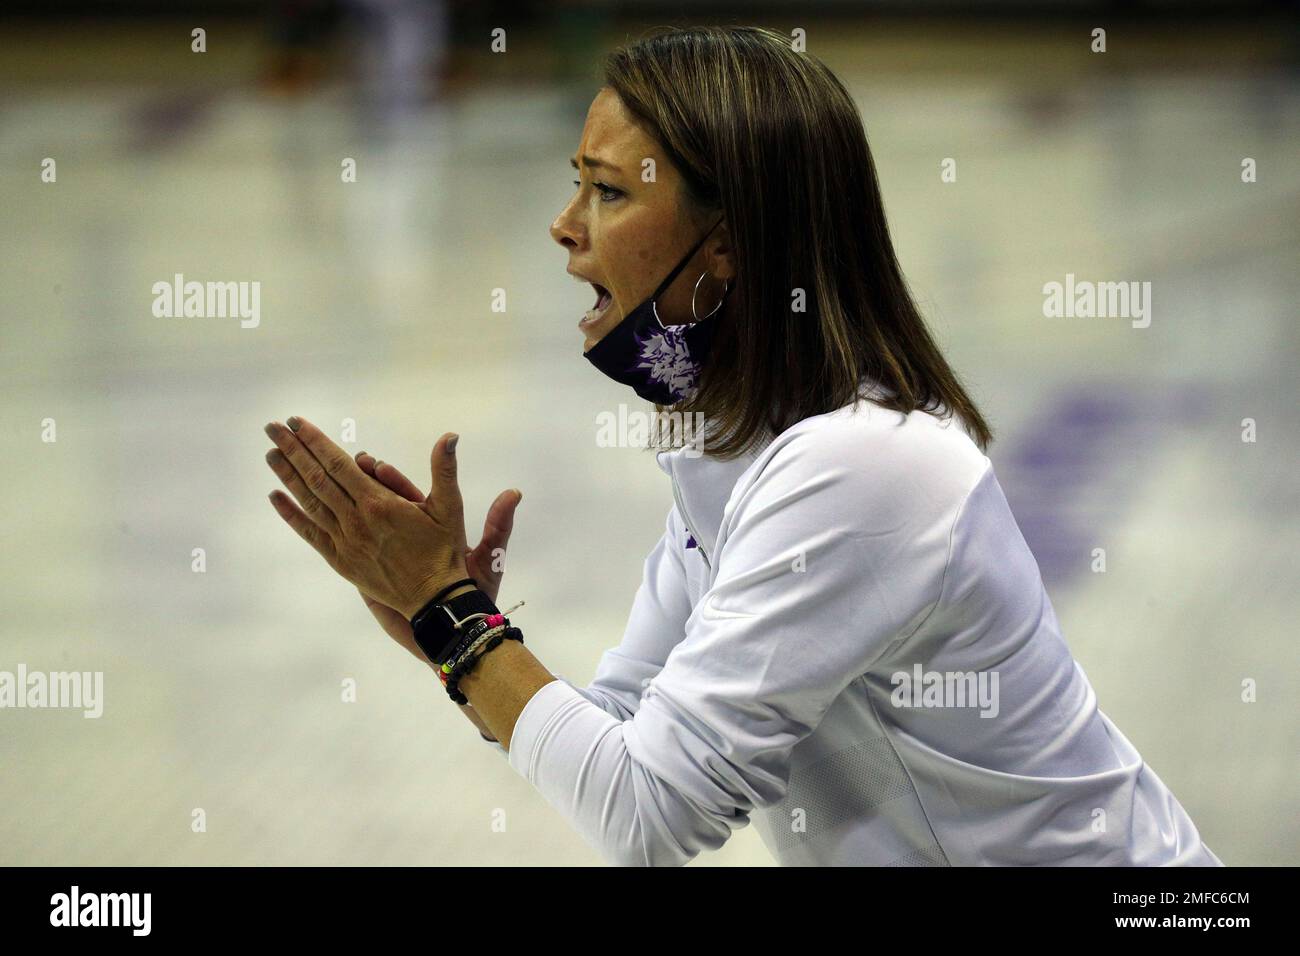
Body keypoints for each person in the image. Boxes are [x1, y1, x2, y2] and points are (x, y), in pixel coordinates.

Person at [262, 25, 1223, 866]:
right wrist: (451, 637)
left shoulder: (861, 467)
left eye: (606, 193)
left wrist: (454, 614)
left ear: (726, 244)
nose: (564, 230)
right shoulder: (735, 454)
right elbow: (623, 744)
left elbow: (646, 818)